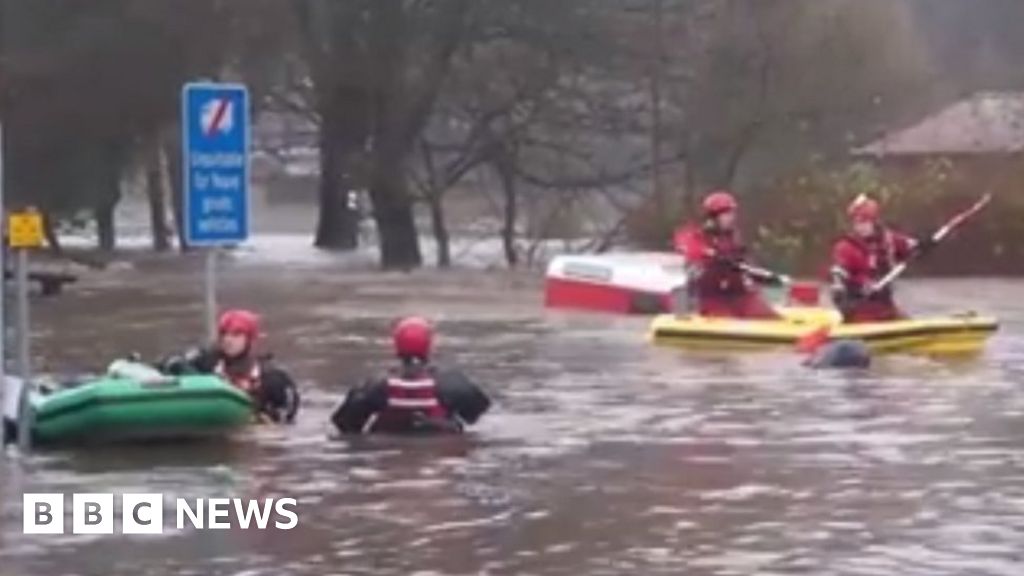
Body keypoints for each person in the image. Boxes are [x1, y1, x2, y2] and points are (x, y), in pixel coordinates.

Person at [331, 316, 491, 435]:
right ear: (429, 346)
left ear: (396, 346)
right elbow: (474, 415)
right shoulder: (453, 383)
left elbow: (345, 423)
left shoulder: (374, 386)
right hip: (438, 453)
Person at [160, 309, 300, 423]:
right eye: (224, 334)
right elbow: (169, 362)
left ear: (249, 338)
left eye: (236, 335)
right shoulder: (207, 359)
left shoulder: (272, 376)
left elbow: (289, 412)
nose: (228, 340)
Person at [673, 190, 783, 319]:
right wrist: (711, 255)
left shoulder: (734, 237)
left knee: (768, 317)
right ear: (713, 217)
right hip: (712, 297)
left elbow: (746, 262)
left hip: (739, 294)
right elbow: (688, 247)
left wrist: (757, 274)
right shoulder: (697, 236)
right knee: (724, 320)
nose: (731, 218)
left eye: (732, 213)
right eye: (726, 214)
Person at [829, 194, 933, 323]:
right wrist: (840, 292)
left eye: (865, 222)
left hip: (885, 306)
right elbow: (839, 272)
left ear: (874, 222)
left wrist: (925, 244)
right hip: (860, 308)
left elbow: (911, 245)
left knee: (904, 321)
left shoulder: (888, 239)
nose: (860, 227)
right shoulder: (845, 247)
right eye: (857, 223)